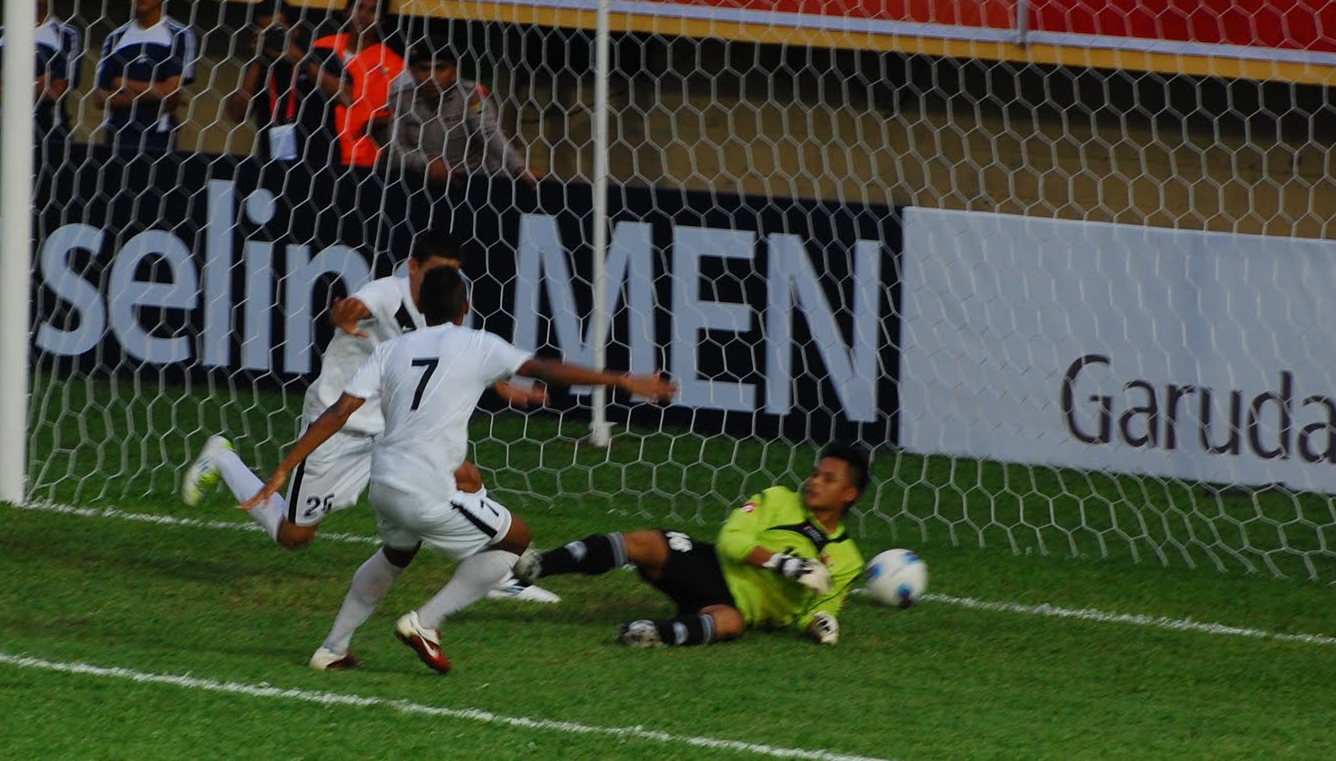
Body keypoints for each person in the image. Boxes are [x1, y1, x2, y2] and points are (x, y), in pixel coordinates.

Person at [240, 266, 678, 672]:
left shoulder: (390, 349)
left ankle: (333, 648)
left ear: (421, 307)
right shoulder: (478, 343)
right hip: (425, 487)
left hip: (384, 482)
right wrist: (626, 380)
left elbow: (337, 413)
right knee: (516, 538)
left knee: (397, 554)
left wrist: (285, 468)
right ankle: (426, 622)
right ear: (465, 307)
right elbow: (545, 368)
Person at [179, 229, 555, 603]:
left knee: (467, 478)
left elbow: (457, 353)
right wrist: (343, 316)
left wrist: (504, 386)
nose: (445, 280)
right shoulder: (386, 293)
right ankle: (223, 457)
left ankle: (498, 575)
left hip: (395, 424)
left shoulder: (438, 305)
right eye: (437, 270)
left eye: (453, 273)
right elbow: (355, 306)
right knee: (294, 537)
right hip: (340, 425)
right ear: (412, 266)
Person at [514, 441, 869, 648]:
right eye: (814, 473)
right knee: (647, 542)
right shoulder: (778, 499)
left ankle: (653, 633)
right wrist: (783, 564)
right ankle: (542, 564)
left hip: (739, 607)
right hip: (711, 566)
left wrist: (821, 624)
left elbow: (821, 607)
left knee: (730, 624)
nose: (814, 482)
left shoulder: (848, 558)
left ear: (849, 494)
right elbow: (731, 540)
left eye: (828, 479)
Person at [386, 40, 541, 186]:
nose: (431, 77)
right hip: (422, 182)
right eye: (424, 69)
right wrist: (426, 163)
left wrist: (519, 167)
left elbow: (488, 131)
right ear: (411, 71)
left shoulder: (472, 96)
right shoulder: (401, 100)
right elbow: (395, 152)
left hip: (474, 182)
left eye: (440, 68)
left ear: (454, 70)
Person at [93, 0, 197, 153]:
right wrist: (156, 94)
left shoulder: (180, 35)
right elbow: (100, 99)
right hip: (117, 137)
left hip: (158, 138)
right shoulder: (116, 38)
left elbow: (171, 92)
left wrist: (121, 83)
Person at [303, 0, 406, 169]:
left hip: (365, 160)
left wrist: (372, 125)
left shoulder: (394, 64)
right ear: (346, 11)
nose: (363, 15)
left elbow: (403, 115)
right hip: (315, 154)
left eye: (372, 10)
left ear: (382, 19)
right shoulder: (323, 47)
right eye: (359, 7)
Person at [0, 0, 82, 147]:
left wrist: (9, 80)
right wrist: (39, 82)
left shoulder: (67, 35)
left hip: (52, 135)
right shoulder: (0, 35)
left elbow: (57, 90)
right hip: (6, 133)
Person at [222, 0, 314, 160]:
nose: (271, 37)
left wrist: (298, 58)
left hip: (315, 162)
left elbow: (343, 95)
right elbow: (237, 114)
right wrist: (257, 59)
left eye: (277, 31)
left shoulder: (316, 60)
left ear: (296, 30)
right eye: (265, 32)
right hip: (271, 161)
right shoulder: (260, 68)